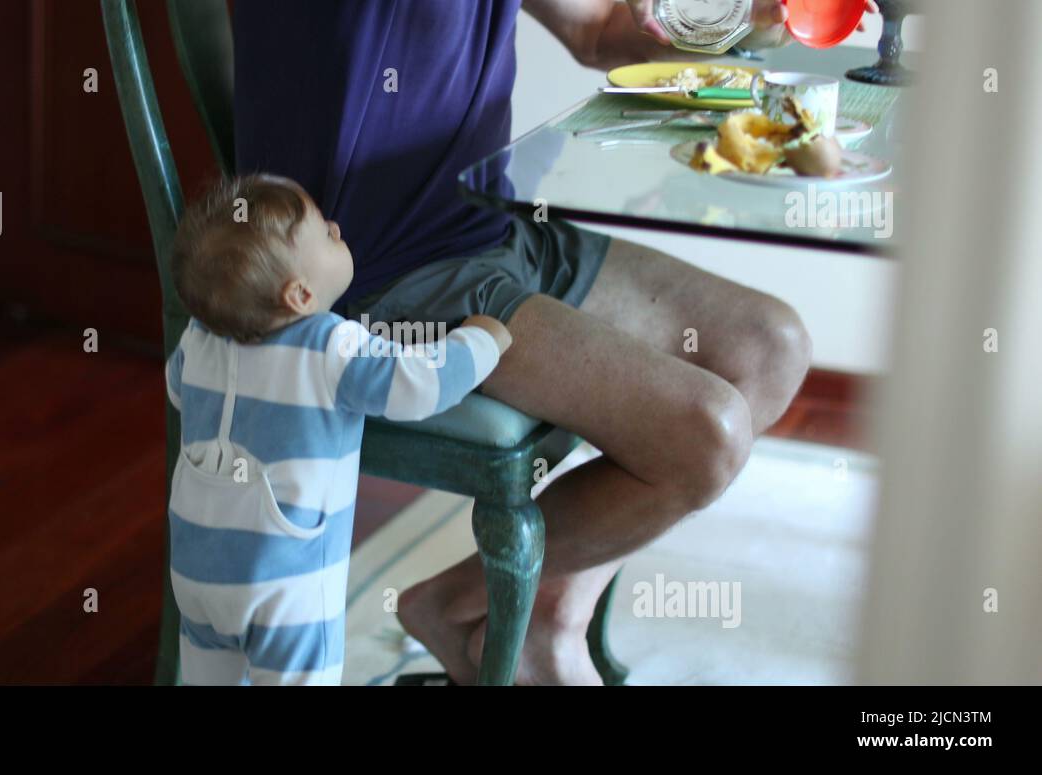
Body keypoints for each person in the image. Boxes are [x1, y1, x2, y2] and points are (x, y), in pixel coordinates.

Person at [233, 0, 868, 684]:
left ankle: (550, 613)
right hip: (372, 276)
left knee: (770, 346)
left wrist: (746, 22)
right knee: (705, 434)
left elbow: (598, 32)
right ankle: (454, 606)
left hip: (492, 231)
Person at [164, 174, 511, 684]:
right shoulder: (331, 347)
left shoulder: (198, 339)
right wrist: (483, 340)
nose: (336, 225)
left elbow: (177, 389)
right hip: (285, 589)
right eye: (324, 233)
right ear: (302, 294)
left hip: (197, 577)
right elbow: (417, 384)